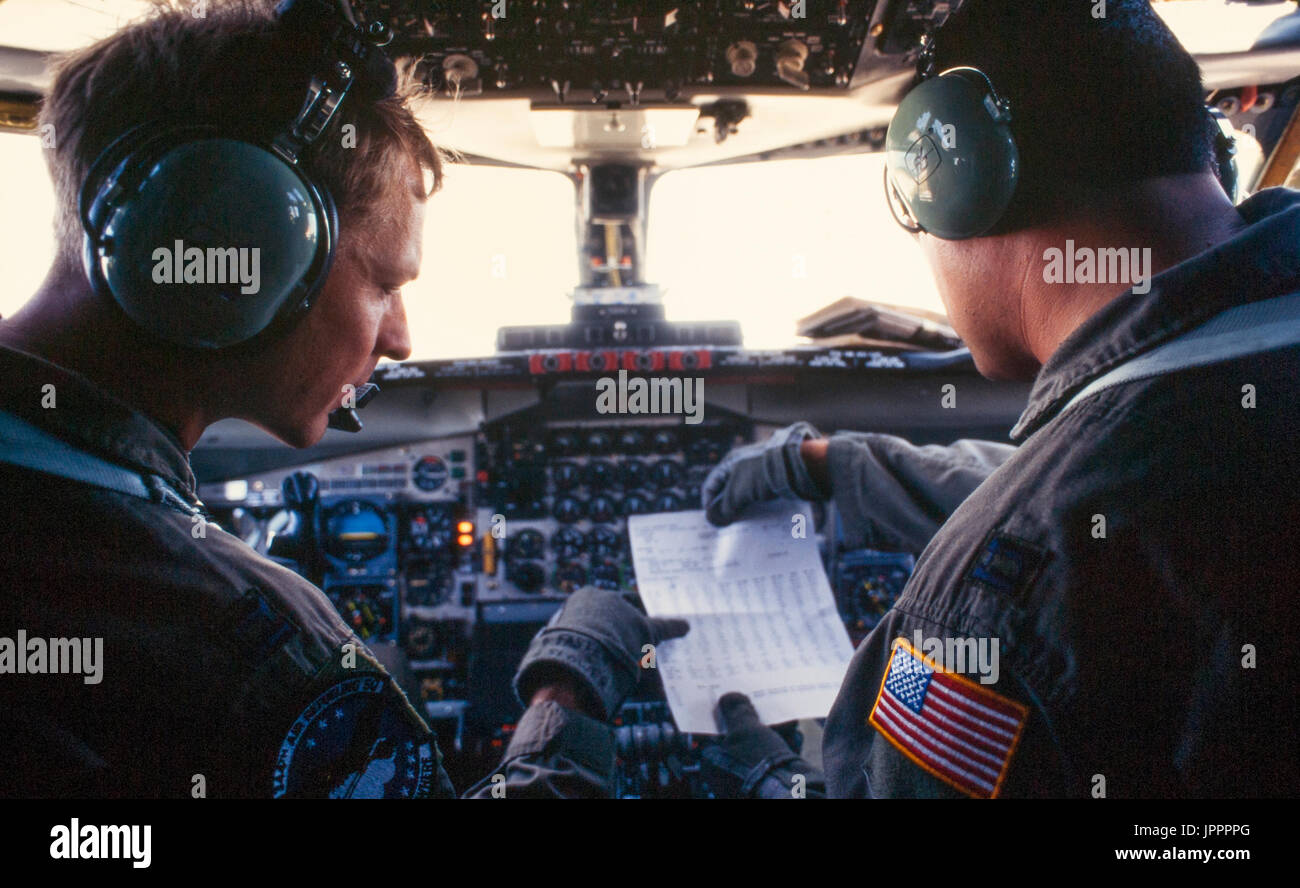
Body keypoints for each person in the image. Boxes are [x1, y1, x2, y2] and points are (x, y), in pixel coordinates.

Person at [0, 0, 682, 799]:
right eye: (385, 283)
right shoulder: (262, 654)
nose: (400, 339)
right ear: (236, 247)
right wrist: (567, 691)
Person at [698, 0, 1300, 797]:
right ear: (1210, 159)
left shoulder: (973, 627)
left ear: (958, 180)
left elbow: (1053, 536)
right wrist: (835, 464)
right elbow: (1095, 495)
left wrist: (770, 772)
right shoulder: (1235, 377)